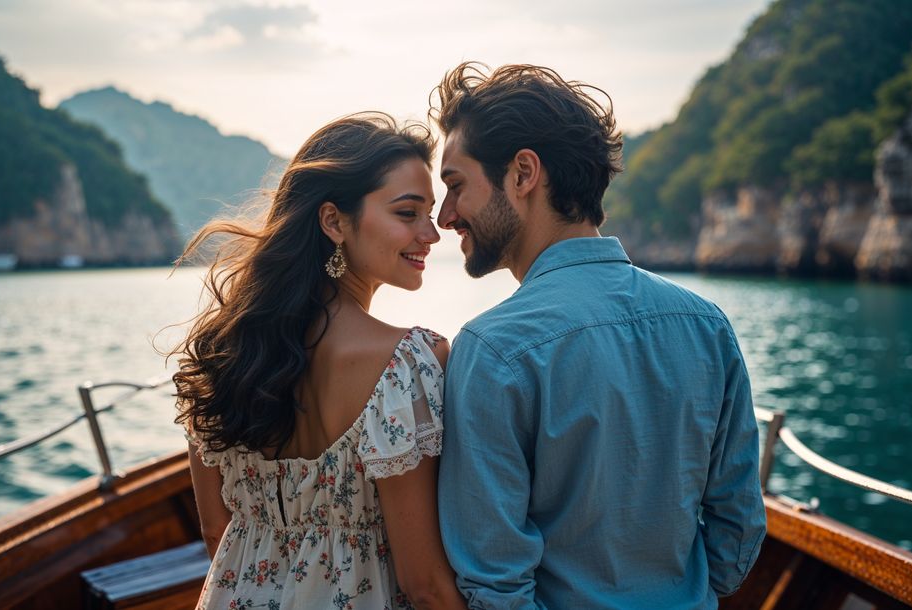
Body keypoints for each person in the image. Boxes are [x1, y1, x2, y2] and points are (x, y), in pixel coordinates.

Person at [432, 62, 766, 609]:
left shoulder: (492, 350)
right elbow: (739, 525)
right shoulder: (706, 325)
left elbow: (495, 580)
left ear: (522, 174)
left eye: (455, 186)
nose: (445, 216)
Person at [171, 114, 467, 610]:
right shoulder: (407, 365)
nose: (430, 235)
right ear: (333, 221)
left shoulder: (224, 352)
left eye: (431, 215)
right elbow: (425, 586)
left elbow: (216, 529)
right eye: (407, 213)